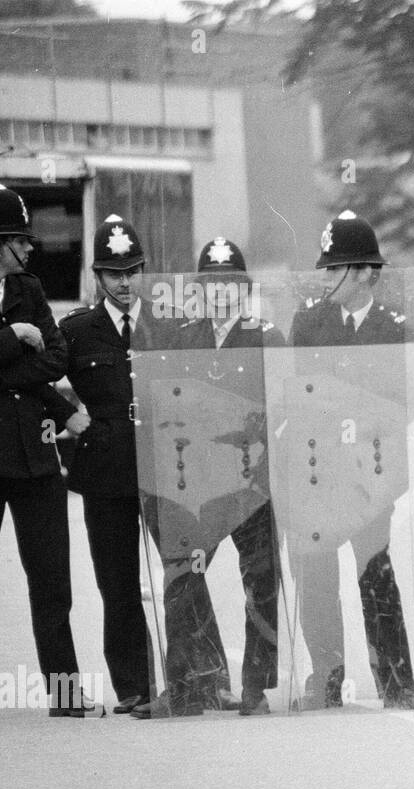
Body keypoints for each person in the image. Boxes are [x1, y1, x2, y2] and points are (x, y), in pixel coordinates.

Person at [130, 237, 282, 718]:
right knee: (182, 577)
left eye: (229, 284)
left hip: (251, 481)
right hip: (197, 485)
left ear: (244, 289)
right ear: (199, 290)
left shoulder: (267, 337)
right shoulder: (180, 337)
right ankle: (185, 686)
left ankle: (256, 687)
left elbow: (284, 409)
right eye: (211, 284)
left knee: (260, 583)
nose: (220, 292)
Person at [288, 210, 414, 710]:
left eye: (336, 268)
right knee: (317, 575)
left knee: (375, 572)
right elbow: (301, 396)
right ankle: (326, 679)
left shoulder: (395, 328)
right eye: (324, 268)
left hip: (371, 476)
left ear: (366, 272)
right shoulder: (309, 323)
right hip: (320, 473)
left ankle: (397, 682)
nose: (326, 278)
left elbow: (404, 404)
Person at [0, 183, 94, 717]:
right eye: (19, 240)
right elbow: (35, 359)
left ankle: (65, 691)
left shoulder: (30, 288)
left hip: (34, 455)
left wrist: (10, 366)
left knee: (53, 580)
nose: (29, 249)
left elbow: (56, 359)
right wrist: (13, 337)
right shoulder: (21, 311)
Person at [56, 215, 155, 715]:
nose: (124, 282)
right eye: (114, 273)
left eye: (132, 271)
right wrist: (67, 415)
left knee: (186, 575)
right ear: (97, 276)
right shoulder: (76, 331)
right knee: (118, 584)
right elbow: (35, 377)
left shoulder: (166, 324)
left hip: (166, 467)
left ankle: (200, 677)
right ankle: (134, 686)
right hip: (106, 472)